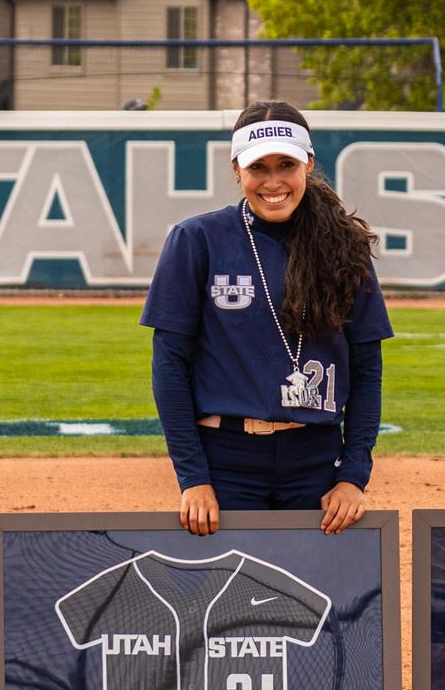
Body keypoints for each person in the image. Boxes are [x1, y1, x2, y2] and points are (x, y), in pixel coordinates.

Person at [142, 102, 391, 536]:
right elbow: (169, 366)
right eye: (259, 167)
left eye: (286, 164)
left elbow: (367, 369)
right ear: (237, 168)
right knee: (231, 595)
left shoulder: (345, 248)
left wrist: (353, 476)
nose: (273, 182)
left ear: (308, 164)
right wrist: (193, 478)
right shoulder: (195, 240)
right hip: (226, 459)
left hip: (315, 458)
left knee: (316, 595)